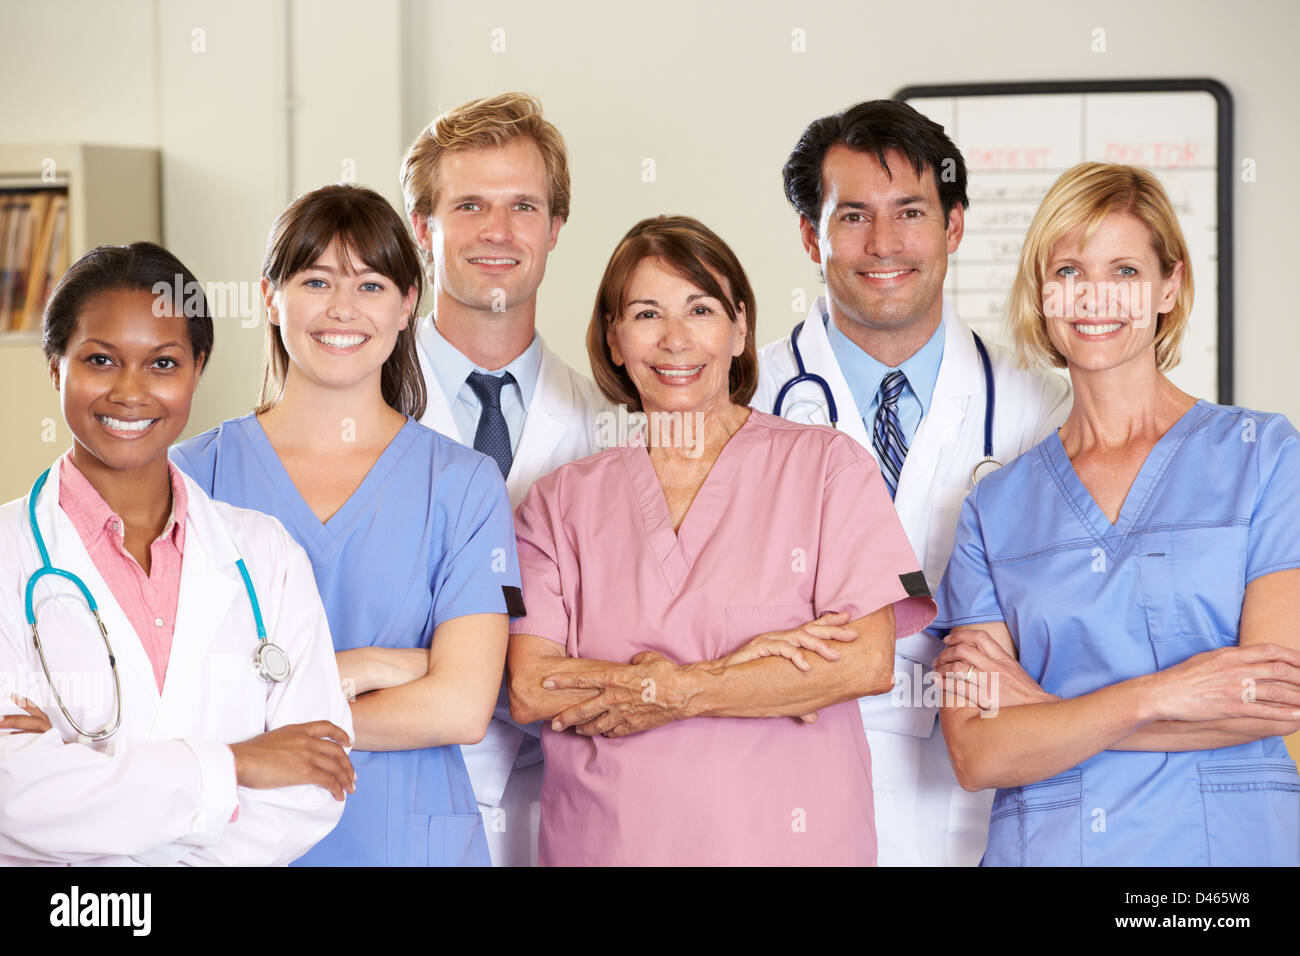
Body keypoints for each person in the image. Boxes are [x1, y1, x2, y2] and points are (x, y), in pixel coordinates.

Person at [507, 215, 936, 865]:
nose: (675, 339)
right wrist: (744, 670)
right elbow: (533, 687)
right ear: (615, 339)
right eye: (646, 314)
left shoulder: (826, 468)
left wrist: (681, 690)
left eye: (700, 309)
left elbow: (862, 663)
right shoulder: (558, 502)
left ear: (739, 327)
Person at [932, 161, 1300, 866]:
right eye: (1068, 270)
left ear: (1171, 284)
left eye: (1125, 270)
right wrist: (1166, 694)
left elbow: (1274, 700)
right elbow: (977, 751)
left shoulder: (1262, 455)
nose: (1094, 296)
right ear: (1043, 294)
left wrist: (1045, 713)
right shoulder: (994, 508)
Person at [752, 99, 1072, 866]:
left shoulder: (1045, 409)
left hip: (972, 809)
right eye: (853, 215)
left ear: (954, 228)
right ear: (810, 235)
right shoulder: (741, 399)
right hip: (775, 792)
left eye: (911, 213)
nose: (884, 244)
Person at [172, 184, 523, 866]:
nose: (342, 308)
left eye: (370, 284)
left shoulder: (460, 485)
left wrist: (277, 716)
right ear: (271, 297)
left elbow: (459, 706)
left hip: (409, 844)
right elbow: (178, 701)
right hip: (236, 843)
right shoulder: (193, 477)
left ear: (406, 306)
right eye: (316, 280)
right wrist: (393, 668)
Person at [0, 242, 354, 865]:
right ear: (56, 367)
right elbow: (14, 794)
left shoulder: (265, 556)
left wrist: (91, 790)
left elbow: (314, 780)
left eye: (163, 364)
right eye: (101, 359)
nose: (131, 392)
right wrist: (236, 765)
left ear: (198, 369)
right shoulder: (10, 557)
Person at [399, 91, 610, 866]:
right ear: (424, 227)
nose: (498, 231)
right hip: (387, 790)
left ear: (555, 228)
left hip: (558, 803)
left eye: (524, 205)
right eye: (470, 205)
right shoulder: (359, 414)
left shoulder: (607, 430)